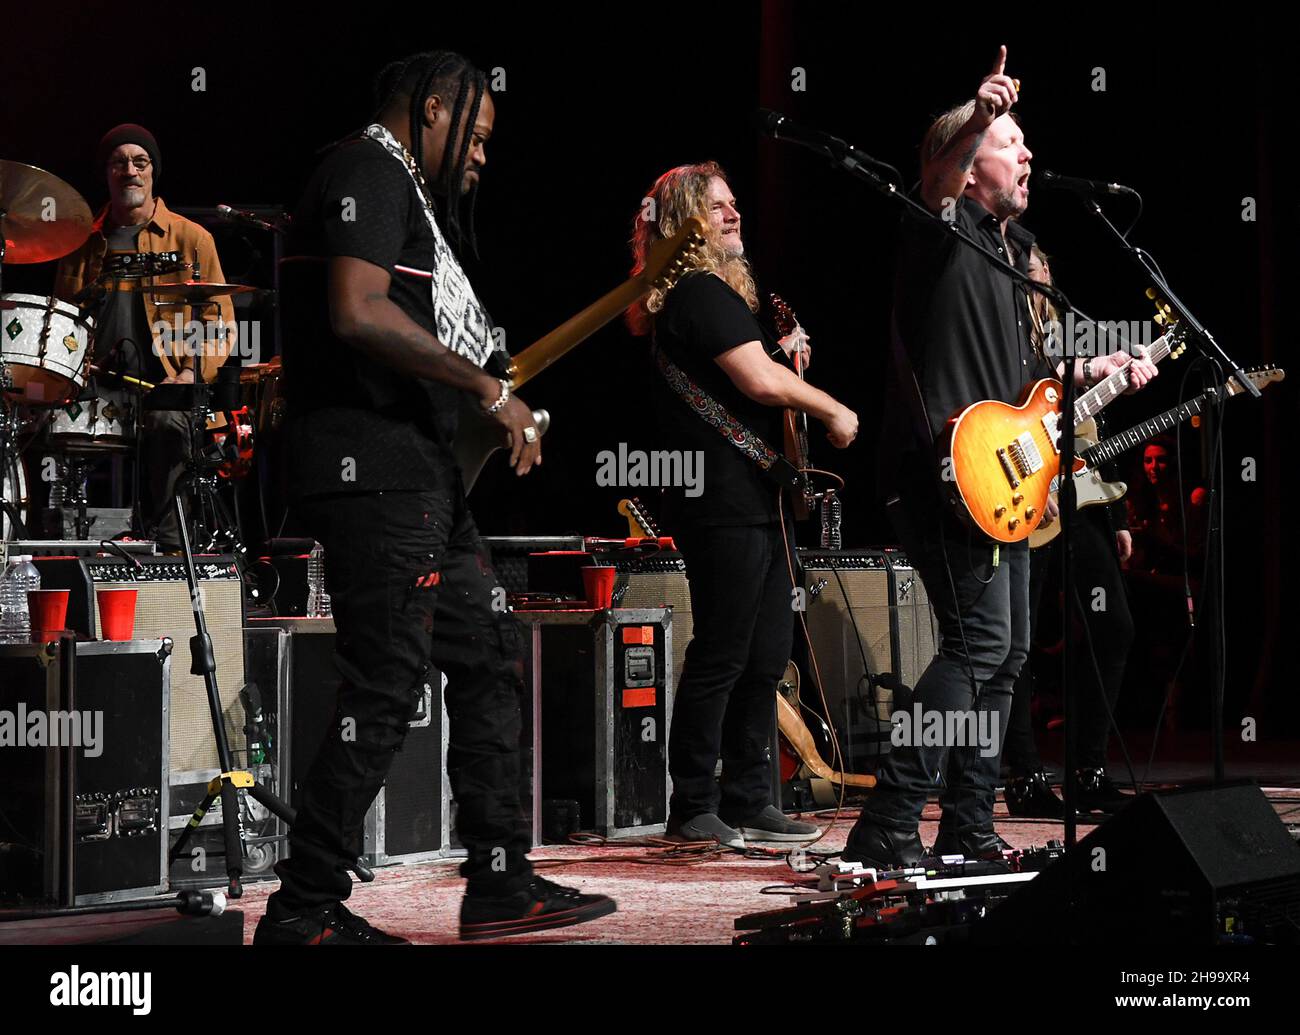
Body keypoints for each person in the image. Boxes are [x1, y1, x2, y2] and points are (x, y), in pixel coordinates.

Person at [262, 50, 614, 944]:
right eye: (479, 136)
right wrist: (490, 391)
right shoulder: (365, 171)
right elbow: (356, 308)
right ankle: (302, 908)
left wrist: (479, 406)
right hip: (374, 475)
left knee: (489, 652)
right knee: (386, 685)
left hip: (421, 477)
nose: (485, 157)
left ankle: (499, 879)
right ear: (431, 109)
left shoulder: (393, 183)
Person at [842, 46, 1157, 868]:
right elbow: (936, 179)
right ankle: (889, 816)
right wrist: (979, 113)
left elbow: (1028, 381)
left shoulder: (1015, 257)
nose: (1026, 154)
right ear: (968, 163)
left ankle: (969, 825)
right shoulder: (940, 229)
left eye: (1019, 141)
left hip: (1002, 476)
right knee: (977, 646)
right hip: (940, 474)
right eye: (1007, 142)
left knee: (1008, 651)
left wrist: (1104, 368)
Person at [627, 161, 858, 848]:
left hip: (751, 497)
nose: (735, 215)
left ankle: (750, 797)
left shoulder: (718, 298)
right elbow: (756, 381)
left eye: (735, 204)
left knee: (763, 653)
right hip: (722, 499)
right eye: (717, 207)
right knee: (724, 650)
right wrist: (835, 409)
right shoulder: (697, 291)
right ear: (682, 226)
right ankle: (693, 803)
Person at [53, 123, 236, 549]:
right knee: (25, 423)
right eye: (118, 163)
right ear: (106, 173)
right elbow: (60, 320)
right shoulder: (80, 241)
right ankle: (49, 551)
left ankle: (169, 550)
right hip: (94, 387)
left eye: (140, 161)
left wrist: (191, 373)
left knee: (168, 423)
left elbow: (219, 322)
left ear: (153, 172)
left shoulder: (192, 239)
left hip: (164, 388)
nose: (129, 171)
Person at [1002, 244, 1137, 817]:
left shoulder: (1061, 332)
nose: (1036, 274)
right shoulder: (998, 325)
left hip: (1081, 499)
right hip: (1026, 496)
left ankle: (1088, 769)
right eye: (1023, 266)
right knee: (1018, 643)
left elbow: (1092, 429)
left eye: (1041, 265)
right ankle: (1025, 777)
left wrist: (1118, 514)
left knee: (1114, 629)